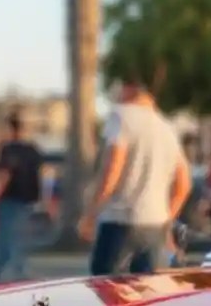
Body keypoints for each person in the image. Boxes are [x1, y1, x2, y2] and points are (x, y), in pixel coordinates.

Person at [77, 66, 191, 275]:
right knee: (146, 296)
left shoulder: (121, 116)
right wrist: (166, 218)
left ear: (130, 88)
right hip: (154, 225)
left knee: (108, 293)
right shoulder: (166, 126)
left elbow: (113, 168)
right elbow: (183, 185)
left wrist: (91, 214)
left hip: (120, 222)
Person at [0, 113, 43, 283]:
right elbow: (40, 173)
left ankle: (0, 274)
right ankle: (19, 271)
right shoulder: (33, 149)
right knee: (21, 237)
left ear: (10, 129)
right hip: (28, 199)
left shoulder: (8, 149)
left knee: (5, 237)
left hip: (11, 198)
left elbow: (5, 173)